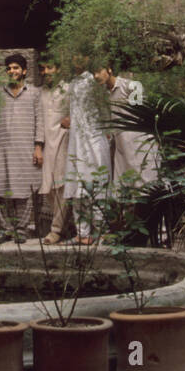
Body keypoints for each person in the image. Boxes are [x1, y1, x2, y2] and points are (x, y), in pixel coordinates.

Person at [0, 53, 44, 241]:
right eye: (9, 68)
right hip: (3, 148)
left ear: (24, 71)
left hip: (25, 148)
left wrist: (38, 146)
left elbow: (40, 121)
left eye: (16, 68)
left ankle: (21, 229)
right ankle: (4, 229)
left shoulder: (34, 93)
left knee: (25, 189)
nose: (12, 71)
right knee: (1, 188)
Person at [63, 56, 112, 243]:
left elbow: (106, 110)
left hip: (95, 138)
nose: (77, 59)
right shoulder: (72, 83)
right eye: (73, 56)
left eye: (81, 55)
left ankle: (101, 231)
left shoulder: (95, 81)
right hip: (76, 141)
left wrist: (106, 133)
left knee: (97, 183)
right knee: (77, 187)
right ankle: (82, 233)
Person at [94, 65, 160, 188]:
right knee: (123, 188)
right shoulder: (103, 94)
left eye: (98, 71)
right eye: (93, 73)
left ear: (109, 69)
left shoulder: (131, 86)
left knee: (144, 185)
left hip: (139, 145)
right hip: (121, 147)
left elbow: (142, 116)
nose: (96, 76)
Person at [38, 60, 71, 244]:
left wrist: (71, 119)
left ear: (58, 68)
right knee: (48, 188)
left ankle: (56, 230)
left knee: (62, 187)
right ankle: (64, 227)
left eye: (49, 67)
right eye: (42, 68)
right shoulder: (40, 93)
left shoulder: (68, 89)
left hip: (64, 141)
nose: (46, 72)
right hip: (45, 145)